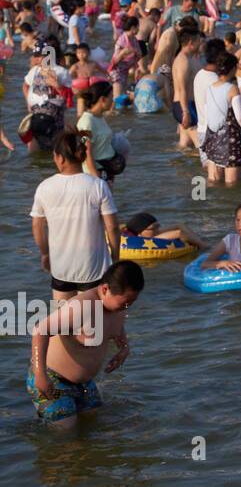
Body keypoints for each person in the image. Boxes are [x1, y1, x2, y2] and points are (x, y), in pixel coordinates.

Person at [27, 260, 145, 424]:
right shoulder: (81, 308)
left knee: (93, 427)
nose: (128, 307)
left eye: (132, 302)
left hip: (84, 384)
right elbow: (40, 330)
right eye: (125, 302)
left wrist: (124, 348)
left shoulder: (117, 308)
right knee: (65, 437)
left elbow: (117, 327)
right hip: (54, 380)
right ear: (105, 289)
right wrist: (40, 375)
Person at [31, 130, 119, 301]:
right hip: (93, 269)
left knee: (63, 325)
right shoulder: (98, 185)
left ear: (60, 158)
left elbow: (37, 226)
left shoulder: (44, 187)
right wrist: (115, 257)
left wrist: (45, 253)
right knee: (91, 326)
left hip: (61, 269)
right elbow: (113, 227)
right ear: (83, 156)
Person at [201, 50, 241, 186]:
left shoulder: (210, 88)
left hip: (212, 140)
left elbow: (207, 115)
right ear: (233, 69)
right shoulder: (232, 89)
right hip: (231, 142)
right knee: (232, 186)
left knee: (214, 182)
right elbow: (240, 117)